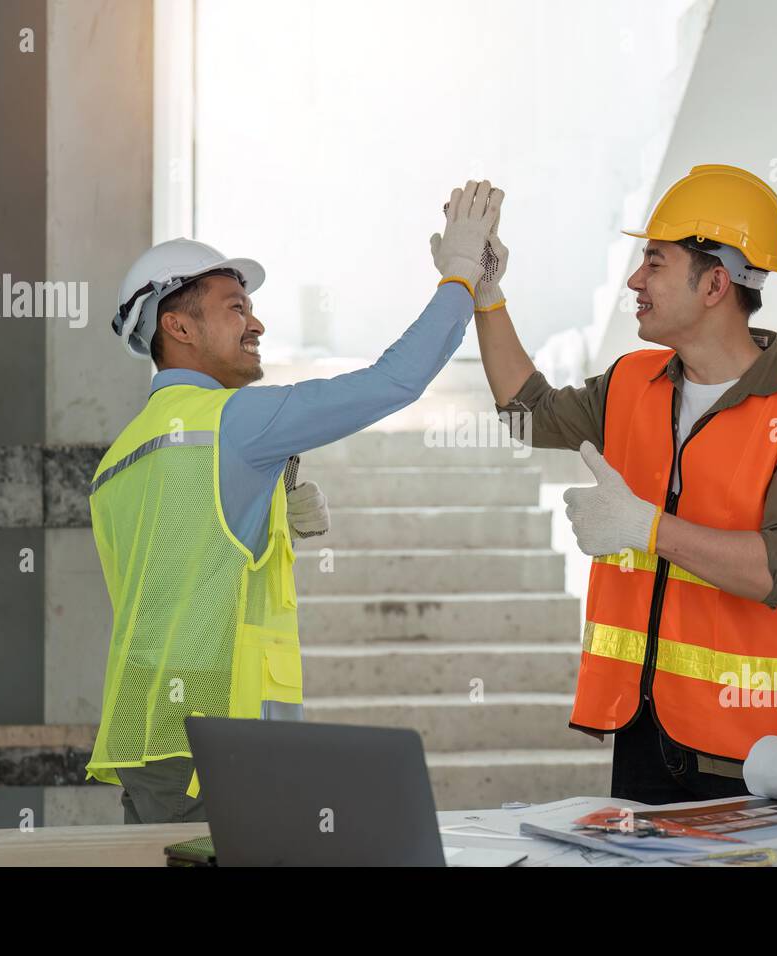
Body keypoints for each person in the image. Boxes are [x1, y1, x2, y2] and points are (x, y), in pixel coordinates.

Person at [87, 181, 502, 823]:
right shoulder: (233, 420)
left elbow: (184, 573)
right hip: (221, 749)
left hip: (151, 740)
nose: (256, 323)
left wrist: (267, 508)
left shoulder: (118, 460)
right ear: (178, 325)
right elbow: (392, 382)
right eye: (234, 307)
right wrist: (460, 281)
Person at [469, 165, 777, 805]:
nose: (635, 280)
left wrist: (646, 529)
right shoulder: (632, 382)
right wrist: (485, 294)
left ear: (714, 283)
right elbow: (528, 413)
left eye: (653, 262)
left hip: (755, 753)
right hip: (644, 729)